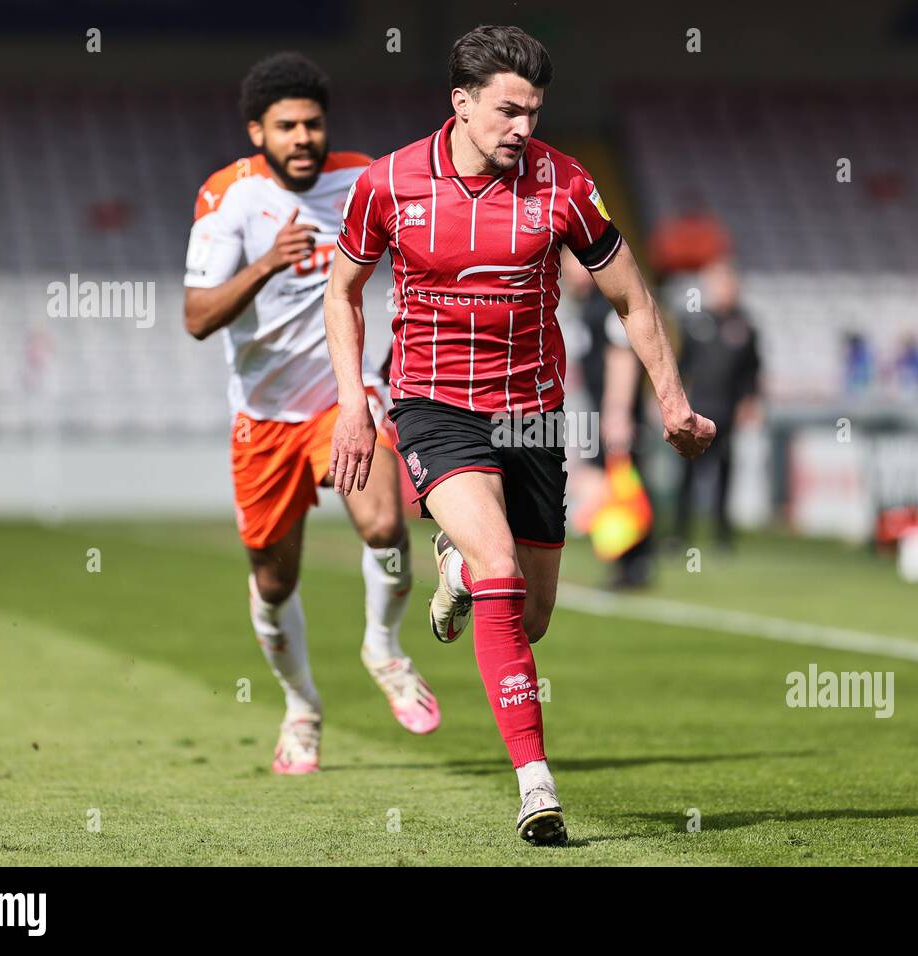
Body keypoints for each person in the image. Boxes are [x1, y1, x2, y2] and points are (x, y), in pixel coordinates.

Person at [323, 25, 714, 844]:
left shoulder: (566, 185)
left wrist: (672, 401)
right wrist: (356, 404)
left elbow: (633, 298)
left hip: (532, 412)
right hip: (433, 404)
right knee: (502, 570)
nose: (523, 129)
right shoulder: (390, 184)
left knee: (529, 617)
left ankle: (460, 566)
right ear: (461, 104)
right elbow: (344, 290)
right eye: (508, 111)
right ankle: (536, 784)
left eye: (533, 112)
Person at [183, 52, 440, 776]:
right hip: (263, 419)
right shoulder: (227, 196)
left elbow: (427, 261)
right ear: (256, 130)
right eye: (287, 126)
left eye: (313, 124)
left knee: (386, 527)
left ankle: (384, 650)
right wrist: (265, 263)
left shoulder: (366, 179)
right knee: (274, 582)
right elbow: (197, 318)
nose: (303, 138)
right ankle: (302, 708)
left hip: (344, 401)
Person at [559, 248, 654, 588]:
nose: (567, 271)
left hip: (617, 413)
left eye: (572, 264)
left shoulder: (606, 305)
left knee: (624, 482)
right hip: (603, 409)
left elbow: (622, 357)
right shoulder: (585, 308)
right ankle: (623, 561)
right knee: (612, 482)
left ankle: (635, 564)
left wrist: (617, 412)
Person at [674, 260, 762, 549]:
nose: (724, 290)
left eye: (728, 284)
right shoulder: (695, 322)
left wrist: (749, 402)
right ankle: (679, 534)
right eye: (718, 284)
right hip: (696, 409)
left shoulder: (745, 326)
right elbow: (682, 366)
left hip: (727, 410)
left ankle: (721, 536)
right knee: (686, 473)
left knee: (724, 472)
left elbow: (752, 371)